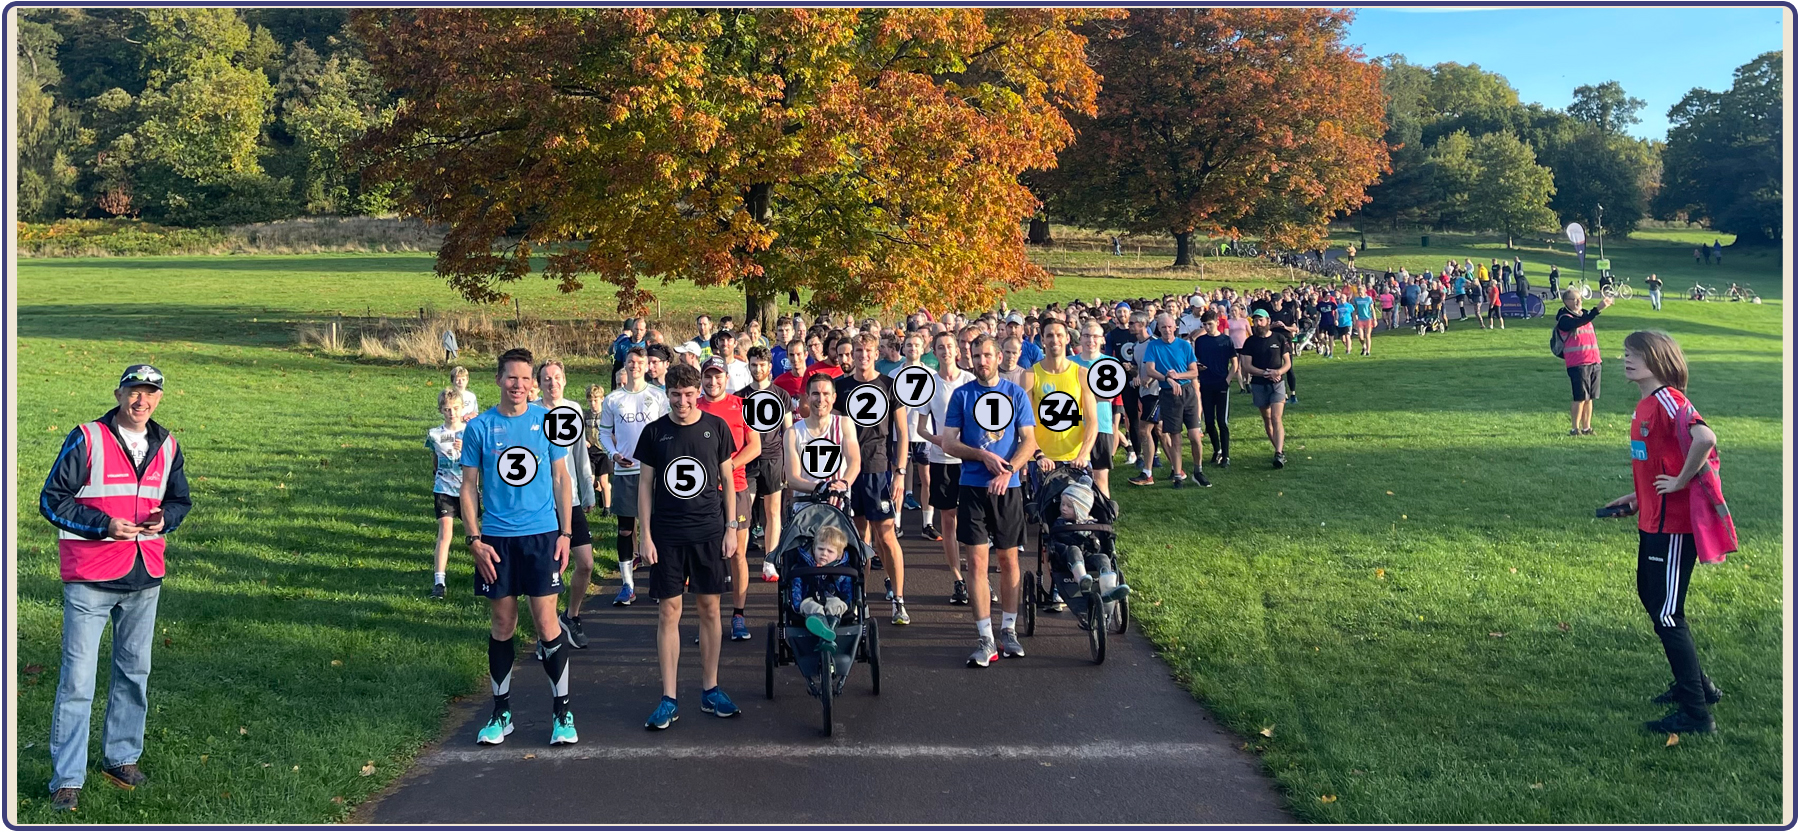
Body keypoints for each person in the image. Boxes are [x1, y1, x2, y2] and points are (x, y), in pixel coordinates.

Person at [39, 364, 192, 812]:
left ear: (160, 398)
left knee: (133, 673)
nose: (140, 400)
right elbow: (52, 499)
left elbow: (180, 500)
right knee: (77, 682)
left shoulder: (167, 444)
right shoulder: (87, 438)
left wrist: (167, 518)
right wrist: (103, 525)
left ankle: (120, 759)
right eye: (133, 391)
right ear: (118, 393)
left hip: (145, 575)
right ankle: (68, 779)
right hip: (91, 576)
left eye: (149, 393)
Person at [1600, 331, 1727, 735]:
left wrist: (1678, 482)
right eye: (1625, 354)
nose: (1626, 360)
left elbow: (1705, 438)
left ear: (1661, 360)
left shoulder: (1670, 400)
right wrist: (1638, 498)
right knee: (1653, 600)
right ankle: (1698, 686)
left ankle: (1696, 714)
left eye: (1636, 355)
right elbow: (1656, 462)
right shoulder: (1645, 406)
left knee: (1668, 613)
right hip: (1651, 521)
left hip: (1673, 529)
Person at [459, 348, 579, 747]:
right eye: (512, 378)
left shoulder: (548, 422)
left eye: (526, 379)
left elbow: (562, 480)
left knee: (547, 624)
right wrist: (474, 539)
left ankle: (562, 713)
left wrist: (565, 534)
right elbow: (468, 487)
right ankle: (501, 712)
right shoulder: (479, 427)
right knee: (503, 624)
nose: (520, 386)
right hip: (496, 539)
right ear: (498, 380)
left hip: (542, 535)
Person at [634, 363, 742, 730]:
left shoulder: (716, 428)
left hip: (709, 531)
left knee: (710, 610)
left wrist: (732, 528)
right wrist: (644, 535)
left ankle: (711, 689)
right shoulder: (653, 433)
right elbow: (645, 488)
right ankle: (669, 697)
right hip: (666, 534)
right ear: (666, 393)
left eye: (688, 394)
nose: (682, 401)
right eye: (675, 394)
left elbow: (728, 480)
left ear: (699, 392)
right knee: (669, 612)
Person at [945, 335, 1039, 667]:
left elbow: (1029, 440)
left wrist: (1008, 470)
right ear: (969, 359)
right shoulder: (962, 395)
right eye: (975, 355)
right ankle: (985, 638)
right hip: (971, 487)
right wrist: (980, 454)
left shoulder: (1016, 394)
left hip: (1008, 488)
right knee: (977, 563)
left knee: (1009, 560)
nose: (981, 361)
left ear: (998, 357)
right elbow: (948, 443)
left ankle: (1008, 630)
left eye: (987, 355)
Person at [834, 334, 911, 625]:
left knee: (886, 535)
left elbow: (902, 432)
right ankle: (859, 598)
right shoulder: (840, 387)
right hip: (848, 471)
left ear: (875, 353)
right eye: (857, 350)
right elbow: (833, 431)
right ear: (850, 354)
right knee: (856, 538)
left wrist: (900, 472)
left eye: (868, 350)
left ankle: (899, 600)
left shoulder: (890, 386)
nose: (862, 355)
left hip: (879, 471)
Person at [531, 359, 599, 647]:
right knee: (551, 570)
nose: (552, 382)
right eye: (546, 378)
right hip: (543, 503)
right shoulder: (531, 413)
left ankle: (570, 617)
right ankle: (544, 637)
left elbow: (580, 456)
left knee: (585, 563)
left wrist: (588, 491)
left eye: (557, 377)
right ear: (539, 383)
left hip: (569, 498)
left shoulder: (572, 410)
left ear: (565, 380)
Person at [599, 348, 670, 606]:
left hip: (654, 472)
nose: (635, 366)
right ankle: (627, 585)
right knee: (626, 529)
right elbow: (604, 433)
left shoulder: (658, 396)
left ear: (647, 366)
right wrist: (614, 454)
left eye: (640, 362)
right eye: (630, 362)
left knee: (657, 527)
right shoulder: (613, 399)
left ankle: (659, 580)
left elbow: (667, 429)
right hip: (625, 472)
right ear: (625, 366)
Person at [697, 356, 761, 641]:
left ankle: (738, 615)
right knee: (706, 556)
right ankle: (708, 621)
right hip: (702, 492)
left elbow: (754, 446)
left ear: (726, 378)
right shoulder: (693, 406)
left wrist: (728, 468)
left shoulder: (741, 406)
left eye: (718, 376)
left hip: (735, 487)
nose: (713, 382)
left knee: (737, 553)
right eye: (708, 377)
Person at [917, 331, 976, 604]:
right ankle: (958, 580)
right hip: (942, 461)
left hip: (971, 461)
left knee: (975, 523)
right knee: (948, 521)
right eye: (940, 347)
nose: (945, 351)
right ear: (935, 351)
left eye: (949, 346)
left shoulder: (970, 381)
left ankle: (980, 579)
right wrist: (937, 439)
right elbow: (920, 428)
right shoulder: (929, 385)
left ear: (957, 351)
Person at [738, 346, 789, 583]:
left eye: (762, 364)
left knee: (772, 511)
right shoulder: (740, 396)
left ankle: (770, 560)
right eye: (753, 364)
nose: (758, 369)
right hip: (747, 460)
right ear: (748, 367)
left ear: (770, 366)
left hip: (773, 457)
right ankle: (738, 559)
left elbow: (788, 432)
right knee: (743, 512)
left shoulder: (781, 394)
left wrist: (789, 463)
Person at [1140, 313, 1209, 488]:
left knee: (1194, 436)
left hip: (1187, 392)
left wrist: (1176, 376)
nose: (1167, 330)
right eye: (1163, 327)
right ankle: (1178, 474)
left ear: (1175, 327)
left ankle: (1198, 470)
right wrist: (1167, 378)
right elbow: (1150, 370)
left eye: (1170, 326)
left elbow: (1194, 371)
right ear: (1159, 328)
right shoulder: (1154, 346)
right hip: (1168, 394)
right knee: (1175, 436)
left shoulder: (1184, 345)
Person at [1072, 321, 1124, 496]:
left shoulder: (1110, 363)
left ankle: (1104, 518)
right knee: (1073, 478)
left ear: (1102, 339)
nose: (1090, 340)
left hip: (1101, 426)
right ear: (1080, 338)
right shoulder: (1068, 364)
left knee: (1100, 478)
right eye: (1086, 335)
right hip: (1073, 427)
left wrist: (1082, 395)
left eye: (1095, 336)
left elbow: (1108, 396)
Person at [1237, 311, 1291, 469]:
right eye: (1255, 321)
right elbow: (1246, 365)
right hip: (1259, 384)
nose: (1257, 324)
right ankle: (1278, 449)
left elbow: (1287, 362)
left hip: (1278, 383)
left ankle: (1279, 453)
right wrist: (1266, 373)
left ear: (1268, 320)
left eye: (1260, 320)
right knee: (1267, 419)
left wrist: (1278, 372)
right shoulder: (1250, 342)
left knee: (1276, 417)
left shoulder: (1279, 338)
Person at [427, 388, 468, 599]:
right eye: (447, 409)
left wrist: (467, 448)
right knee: (445, 532)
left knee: (475, 534)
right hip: (443, 489)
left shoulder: (470, 431)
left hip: (467, 489)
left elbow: (482, 460)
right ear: (441, 411)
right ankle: (439, 581)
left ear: (462, 408)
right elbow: (434, 458)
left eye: (455, 409)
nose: (452, 413)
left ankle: (487, 574)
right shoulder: (434, 434)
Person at [1556, 289, 1614, 436]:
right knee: (1580, 397)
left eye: (1580, 298)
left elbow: (1585, 318)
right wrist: (1597, 309)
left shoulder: (1584, 315)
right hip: (1578, 363)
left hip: (1594, 361)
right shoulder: (1564, 319)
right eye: (1574, 299)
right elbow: (1579, 322)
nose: (1578, 301)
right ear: (1566, 302)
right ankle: (1575, 429)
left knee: (1590, 397)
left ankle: (1587, 427)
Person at [1192, 310, 1238, 468]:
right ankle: (1217, 450)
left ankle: (1226, 456)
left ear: (1217, 323)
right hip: (1206, 383)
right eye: (1204, 324)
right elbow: (1195, 361)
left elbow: (1235, 363)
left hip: (1221, 384)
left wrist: (1228, 379)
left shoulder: (1226, 340)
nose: (1207, 327)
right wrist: (1198, 368)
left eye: (1209, 324)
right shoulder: (1200, 341)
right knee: (1209, 422)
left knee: (1222, 421)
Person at [584, 383, 612, 516]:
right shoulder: (585, 415)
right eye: (590, 401)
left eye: (595, 400)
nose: (593, 404)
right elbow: (581, 430)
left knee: (604, 480)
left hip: (604, 451)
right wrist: (585, 440)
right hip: (591, 451)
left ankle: (607, 508)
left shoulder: (607, 415)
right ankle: (599, 491)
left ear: (602, 399)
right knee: (591, 480)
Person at [1352, 285, 1377, 354]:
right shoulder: (1356, 299)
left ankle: (1368, 351)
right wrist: (1354, 318)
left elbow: (1372, 309)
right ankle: (1364, 346)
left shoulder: (1368, 299)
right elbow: (1355, 310)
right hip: (1360, 319)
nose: (1360, 294)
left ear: (1364, 291)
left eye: (1361, 292)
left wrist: (1375, 319)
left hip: (1368, 319)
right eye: (1359, 292)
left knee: (1367, 335)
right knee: (1360, 337)